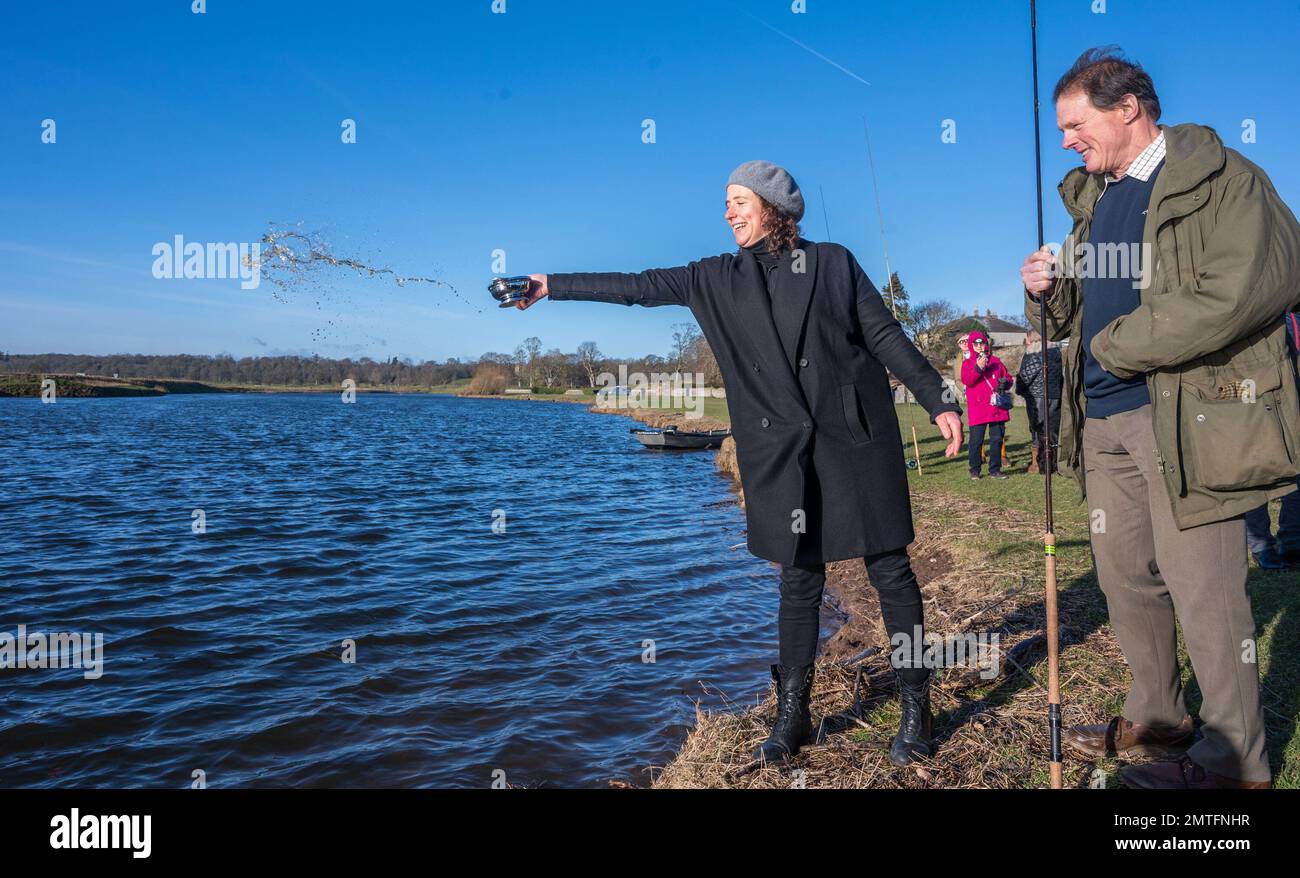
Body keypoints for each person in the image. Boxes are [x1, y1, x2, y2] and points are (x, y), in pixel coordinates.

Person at [514, 161, 965, 767]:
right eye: (725, 202)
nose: (727, 212)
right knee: (799, 580)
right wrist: (550, 285)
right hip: (779, 451)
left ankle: (917, 705)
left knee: (889, 568)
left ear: (774, 205)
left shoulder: (832, 262)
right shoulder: (714, 278)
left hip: (854, 437)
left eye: (737, 200)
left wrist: (937, 396)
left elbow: (883, 335)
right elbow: (635, 286)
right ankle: (793, 714)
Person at [1021, 48, 1300, 789]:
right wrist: (1042, 290)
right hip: (1103, 423)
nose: (1068, 140)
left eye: (1076, 123)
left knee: (1205, 589)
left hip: (1188, 419)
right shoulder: (1094, 206)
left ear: (1128, 108)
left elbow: (1247, 286)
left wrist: (1120, 344)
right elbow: (1072, 314)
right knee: (1125, 578)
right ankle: (1161, 717)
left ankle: (1235, 763)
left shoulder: (1224, 179)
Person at [1242, 311, 1300, 569]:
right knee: (1254, 465)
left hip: (1290, 390)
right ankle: (1262, 545)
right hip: (1249, 391)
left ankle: (1292, 541)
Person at [961, 330, 1011, 480]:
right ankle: (975, 470)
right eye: (975, 343)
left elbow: (1007, 378)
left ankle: (995, 470)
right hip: (978, 408)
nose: (979, 346)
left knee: (997, 439)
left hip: (996, 407)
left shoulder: (996, 361)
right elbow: (967, 380)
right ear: (971, 345)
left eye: (981, 343)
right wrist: (978, 368)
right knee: (976, 440)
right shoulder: (967, 363)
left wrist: (1005, 384)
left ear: (986, 344)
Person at [1015, 330, 1063, 474]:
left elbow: (1026, 375)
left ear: (1031, 339)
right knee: (1052, 431)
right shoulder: (1056, 352)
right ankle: (1053, 463)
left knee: (1038, 430)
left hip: (1037, 397)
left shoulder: (1034, 352)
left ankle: (1039, 464)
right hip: (1054, 395)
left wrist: (1019, 389)